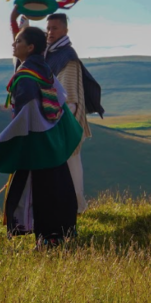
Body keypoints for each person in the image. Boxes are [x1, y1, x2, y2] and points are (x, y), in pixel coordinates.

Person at [0, 26, 85, 248]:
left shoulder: (25, 77)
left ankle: (47, 238)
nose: (14, 44)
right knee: (57, 185)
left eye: (18, 41)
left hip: (37, 142)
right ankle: (61, 233)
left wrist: (4, 140)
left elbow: (27, 114)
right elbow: (59, 100)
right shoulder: (44, 70)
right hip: (51, 141)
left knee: (42, 191)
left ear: (30, 47)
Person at [40, 12, 104, 212]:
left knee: (71, 163)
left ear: (65, 30)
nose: (50, 32)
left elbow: (69, 98)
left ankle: (77, 206)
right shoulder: (49, 54)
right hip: (54, 119)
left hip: (66, 120)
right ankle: (69, 205)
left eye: (55, 28)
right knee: (63, 165)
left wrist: (59, 124)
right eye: (48, 28)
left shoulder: (67, 56)